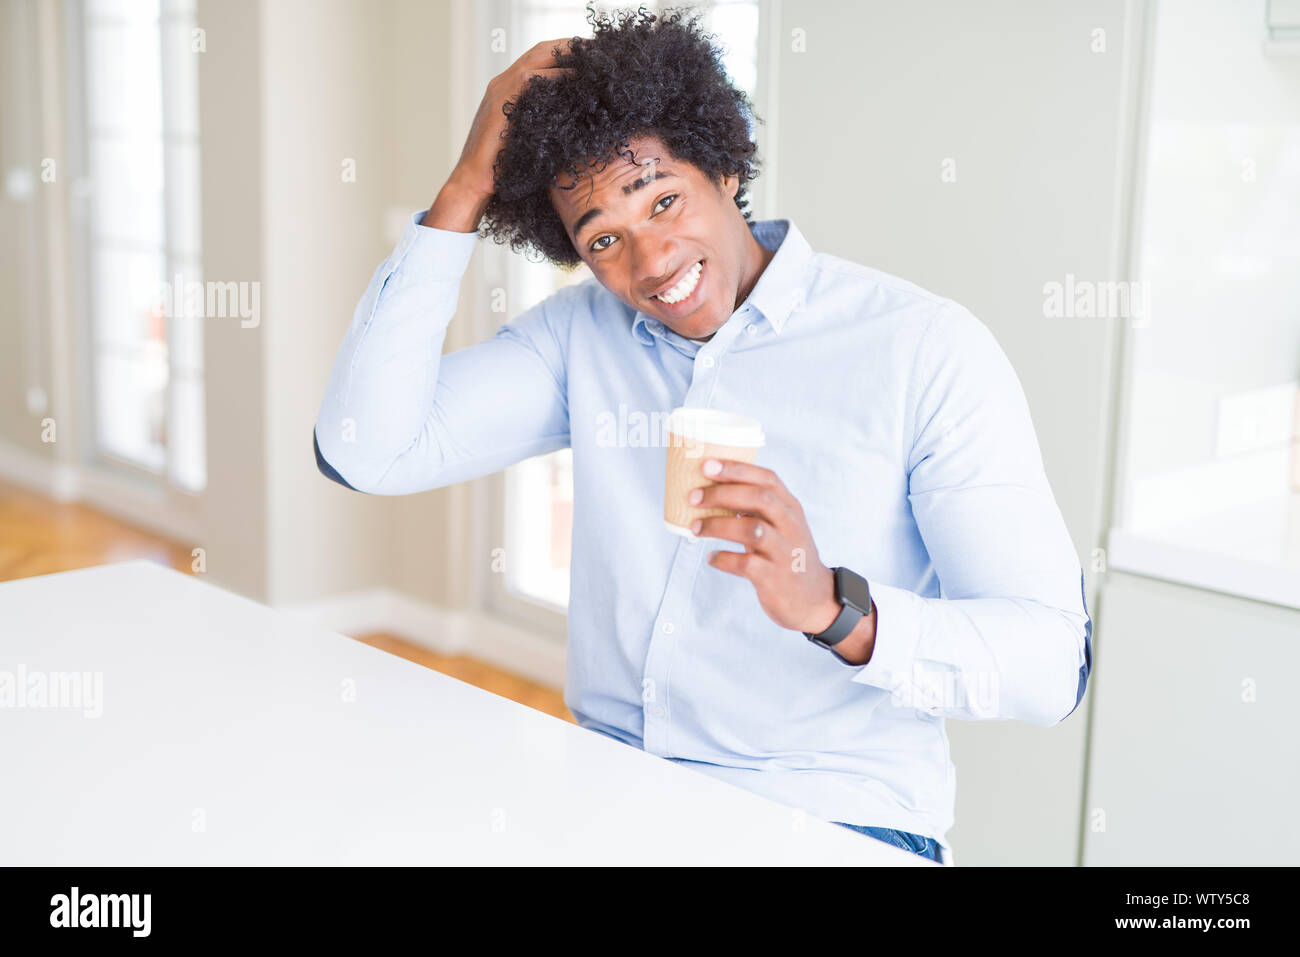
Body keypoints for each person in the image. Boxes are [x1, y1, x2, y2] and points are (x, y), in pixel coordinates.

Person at [314, 6, 1092, 865]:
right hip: (607, 796)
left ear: (722, 163)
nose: (650, 262)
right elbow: (365, 446)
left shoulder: (923, 348)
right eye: (604, 237)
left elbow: (1051, 664)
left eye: (665, 199)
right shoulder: (581, 337)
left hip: (829, 814)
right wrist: (464, 188)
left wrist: (837, 611)